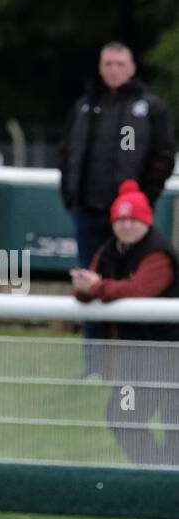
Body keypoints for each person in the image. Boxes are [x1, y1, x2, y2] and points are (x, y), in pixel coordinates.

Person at [59, 42, 176, 378]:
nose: (113, 69)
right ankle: (94, 363)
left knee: (135, 286)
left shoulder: (149, 108)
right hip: (89, 212)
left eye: (119, 63)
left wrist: (143, 201)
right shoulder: (85, 106)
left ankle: (140, 364)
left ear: (132, 67)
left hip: (132, 220)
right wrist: (71, 194)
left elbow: (163, 155)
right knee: (88, 281)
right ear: (100, 67)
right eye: (108, 63)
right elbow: (66, 152)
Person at [71, 180, 179, 466]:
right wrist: (84, 289)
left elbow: (138, 291)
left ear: (147, 221)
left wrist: (94, 288)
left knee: (174, 425)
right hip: (140, 359)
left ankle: (164, 482)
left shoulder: (158, 252)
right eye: (121, 219)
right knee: (122, 416)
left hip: (170, 355)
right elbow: (91, 286)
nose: (127, 225)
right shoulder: (109, 250)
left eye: (133, 219)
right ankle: (158, 476)